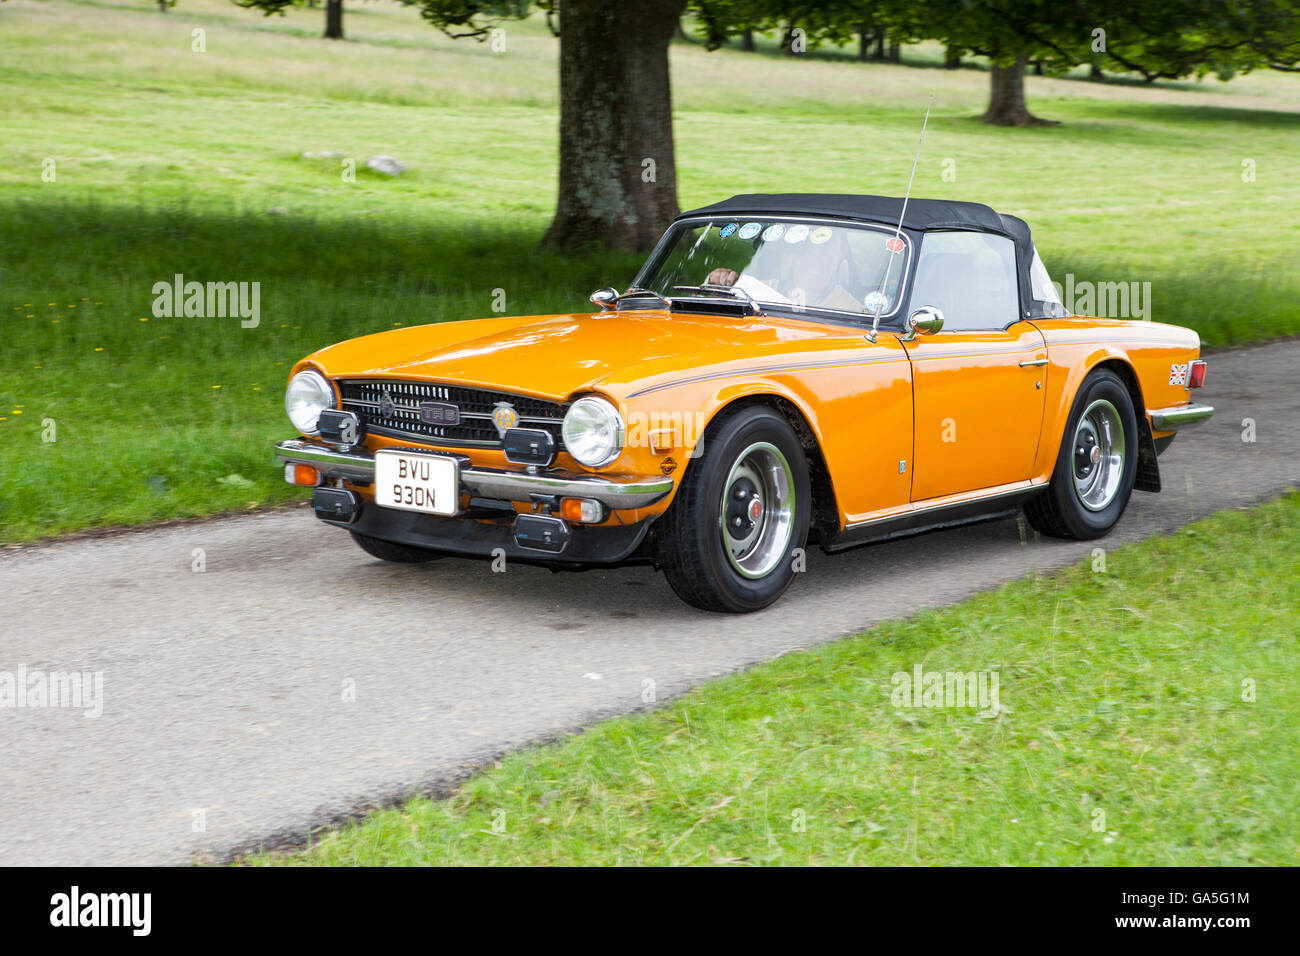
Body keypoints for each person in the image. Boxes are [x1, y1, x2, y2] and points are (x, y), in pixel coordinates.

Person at [705, 229, 862, 312]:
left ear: (837, 263)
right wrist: (718, 286)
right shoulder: (759, 289)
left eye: (827, 256)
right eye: (807, 253)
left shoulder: (852, 308)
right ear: (792, 258)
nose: (817, 263)